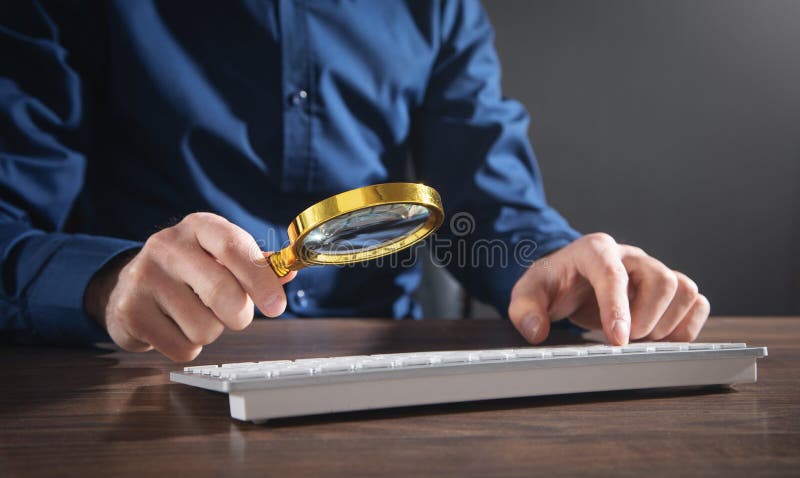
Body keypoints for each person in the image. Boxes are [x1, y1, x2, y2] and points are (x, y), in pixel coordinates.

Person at [0, 1, 709, 362]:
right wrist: (108, 284)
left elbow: (486, 206)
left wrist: (553, 265)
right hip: (151, 374)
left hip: (382, 379)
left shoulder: (437, 6)